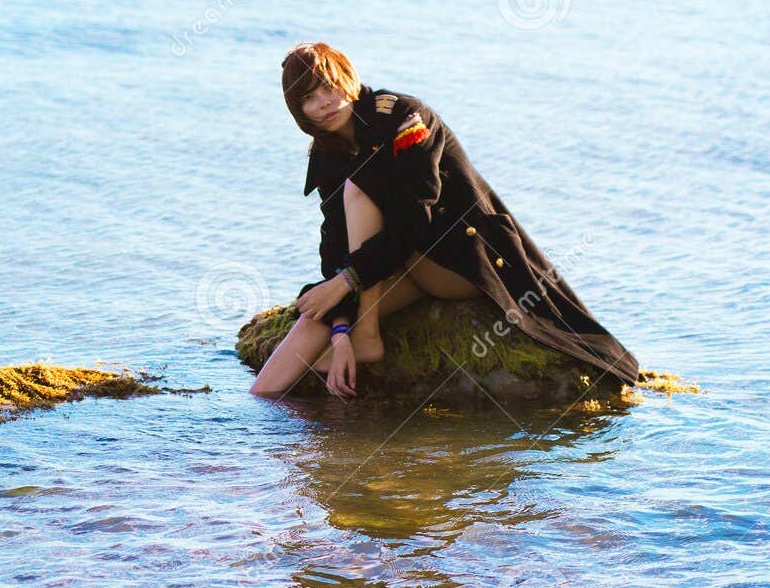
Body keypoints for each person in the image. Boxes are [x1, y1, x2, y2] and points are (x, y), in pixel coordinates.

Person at [250, 42, 641, 399]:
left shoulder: (404, 116)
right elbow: (335, 243)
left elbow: (413, 220)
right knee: (313, 315)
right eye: (309, 98)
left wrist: (348, 282)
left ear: (349, 80)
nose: (325, 104)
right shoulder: (326, 153)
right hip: (400, 265)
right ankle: (255, 417)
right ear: (297, 110)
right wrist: (338, 332)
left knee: (358, 193)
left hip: (455, 260)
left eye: (330, 88)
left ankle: (366, 334)